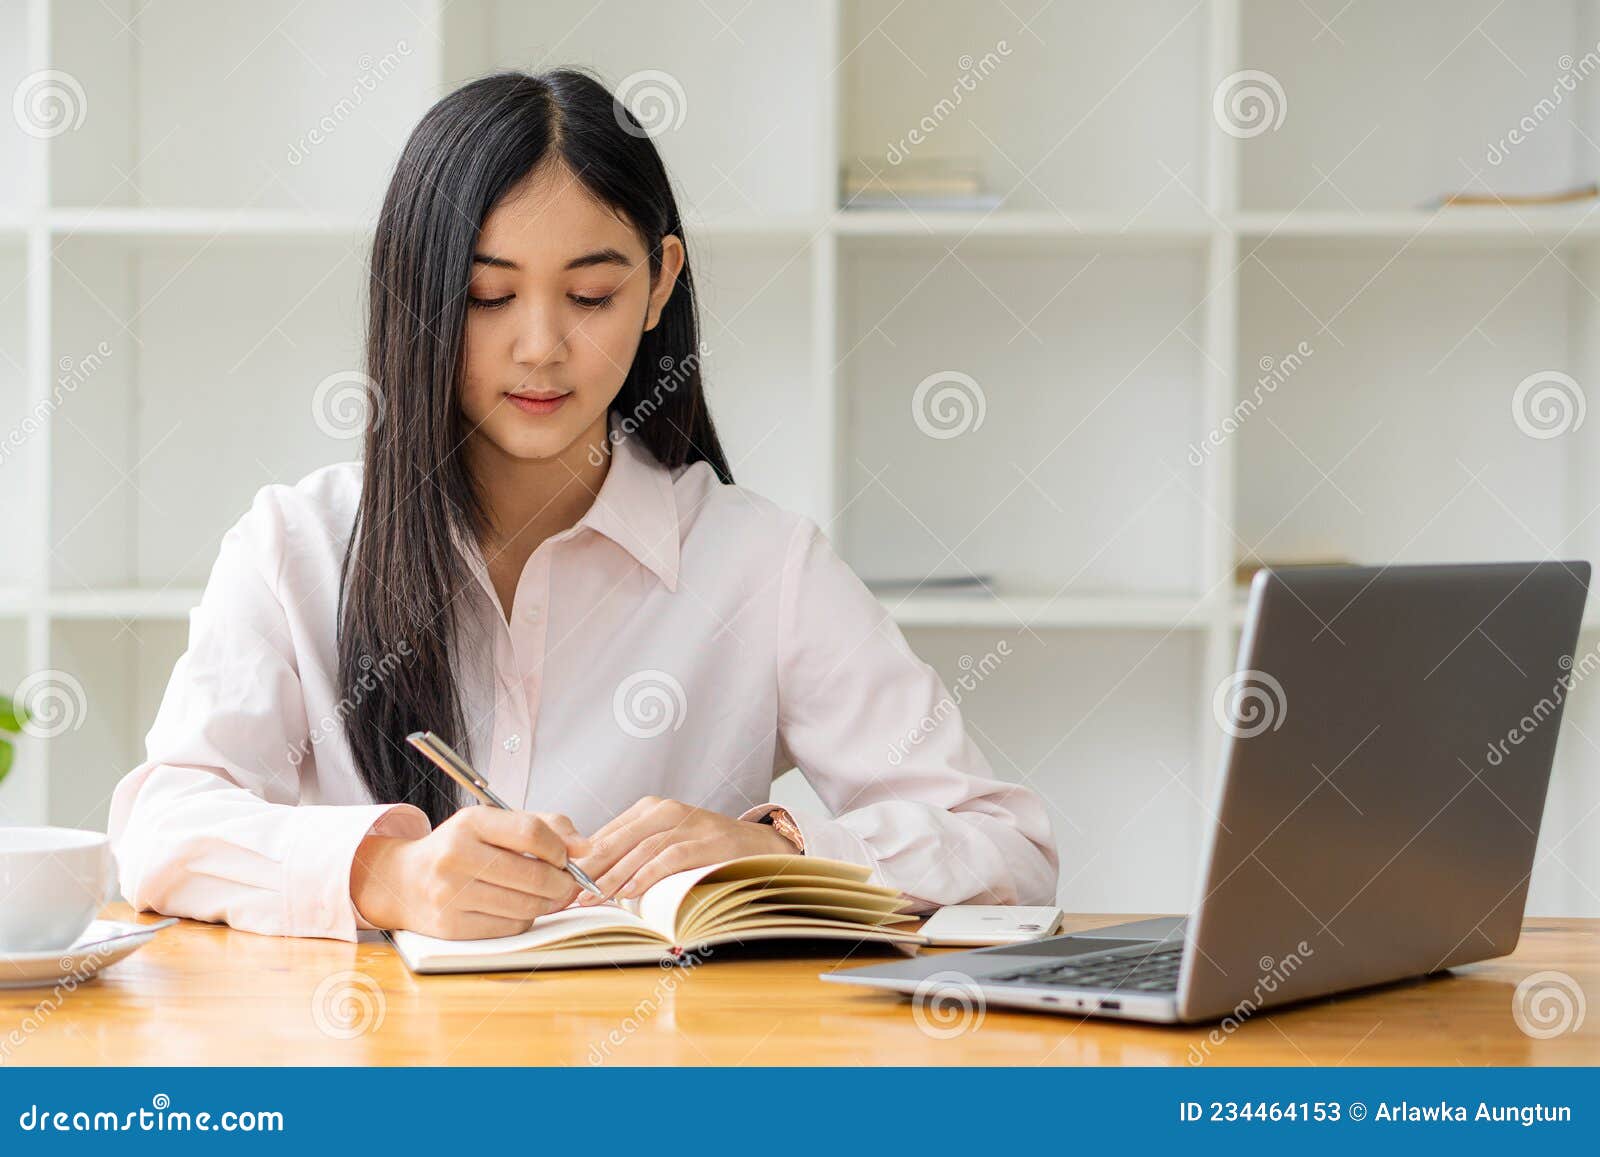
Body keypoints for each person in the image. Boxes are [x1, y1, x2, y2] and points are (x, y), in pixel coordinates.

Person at [107, 68, 1058, 942]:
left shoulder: (762, 565)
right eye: (488, 296)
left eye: (592, 294)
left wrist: (780, 854)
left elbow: (1008, 847)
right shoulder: (295, 548)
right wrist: (385, 875)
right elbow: (162, 824)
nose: (541, 346)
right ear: (420, 295)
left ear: (660, 286)